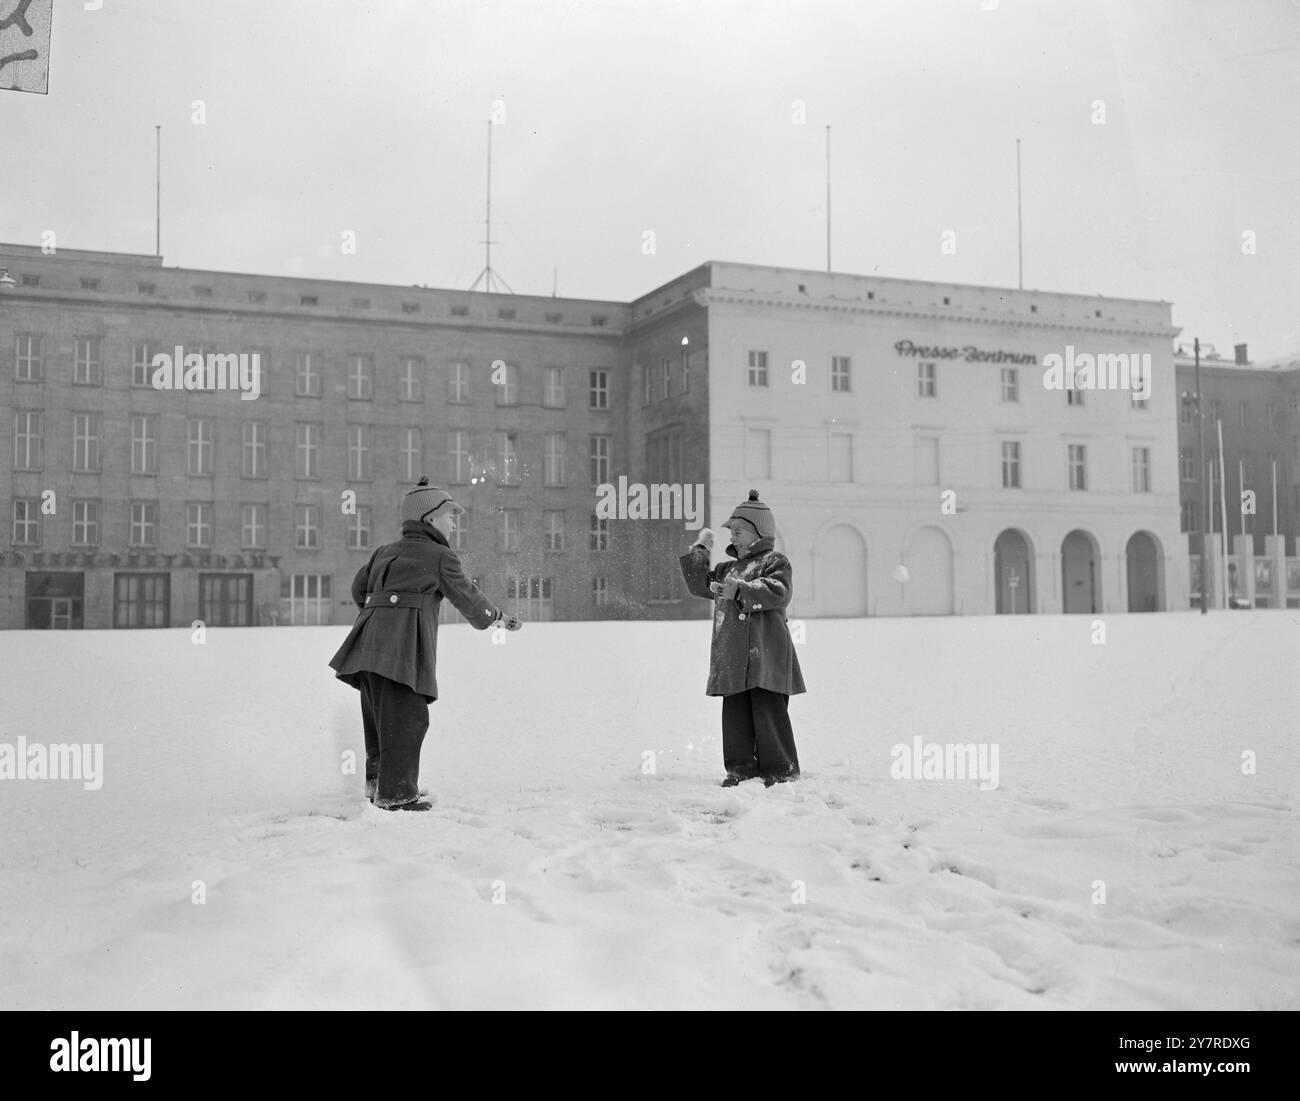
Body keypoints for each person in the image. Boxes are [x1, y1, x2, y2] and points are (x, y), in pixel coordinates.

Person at [329, 477, 521, 811]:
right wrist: (496, 617)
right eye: (450, 515)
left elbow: (359, 591)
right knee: (407, 720)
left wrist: (380, 618)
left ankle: (377, 786)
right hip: (401, 653)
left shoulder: (383, 552)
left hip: (366, 650)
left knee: (380, 719)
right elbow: (468, 597)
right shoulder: (439, 556)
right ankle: (398, 796)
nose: (454, 521)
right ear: (429, 518)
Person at [679, 490, 804, 787]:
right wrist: (699, 551)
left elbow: (777, 591)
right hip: (733, 658)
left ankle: (780, 770)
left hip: (766, 657)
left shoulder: (775, 562)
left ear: (759, 533)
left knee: (768, 713)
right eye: (730, 532)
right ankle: (741, 770)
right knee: (735, 717)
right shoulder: (726, 569)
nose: (732, 537)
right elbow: (701, 585)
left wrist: (741, 591)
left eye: (738, 531)